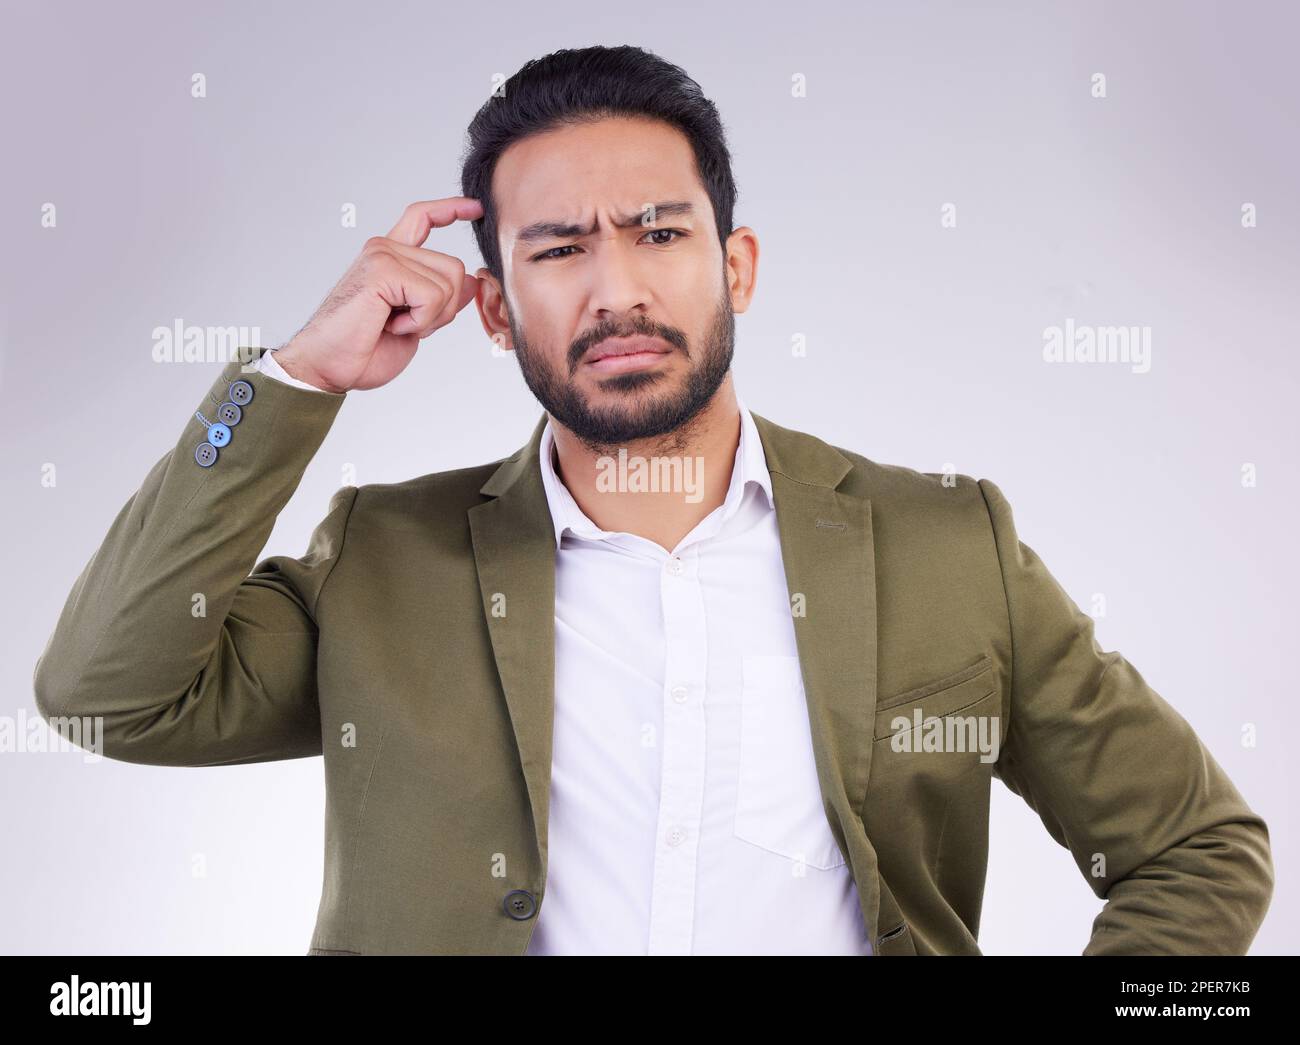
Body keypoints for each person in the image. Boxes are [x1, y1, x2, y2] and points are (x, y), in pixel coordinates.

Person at [33, 44, 1272, 956]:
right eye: (559, 250)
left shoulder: (950, 545)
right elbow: (106, 699)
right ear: (498, 308)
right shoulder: (384, 560)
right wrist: (295, 376)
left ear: (733, 265)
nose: (615, 288)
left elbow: (1194, 847)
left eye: (659, 234)